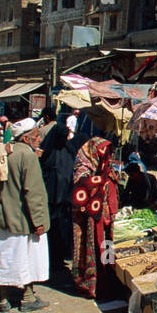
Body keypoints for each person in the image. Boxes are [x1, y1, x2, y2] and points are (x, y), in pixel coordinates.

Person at [0, 117, 51, 312]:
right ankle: (27, 297)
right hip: (23, 218)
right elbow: (33, 192)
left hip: (3, 216)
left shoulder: (3, 152)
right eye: (35, 136)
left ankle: (3, 298)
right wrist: (39, 221)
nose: (39, 139)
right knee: (28, 258)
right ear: (25, 139)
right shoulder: (28, 156)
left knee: (5, 257)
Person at [71, 137, 118, 299]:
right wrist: (102, 182)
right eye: (105, 153)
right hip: (90, 219)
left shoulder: (105, 167)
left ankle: (110, 280)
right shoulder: (82, 168)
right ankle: (94, 283)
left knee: (108, 247)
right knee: (95, 248)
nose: (108, 158)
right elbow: (81, 188)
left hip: (105, 218)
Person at [40, 119, 78, 277]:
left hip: (65, 199)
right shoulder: (48, 152)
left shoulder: (69, 150)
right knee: (53, 231)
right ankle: (52, 260)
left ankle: (61, 257)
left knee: (63, 231)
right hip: (51, 199)